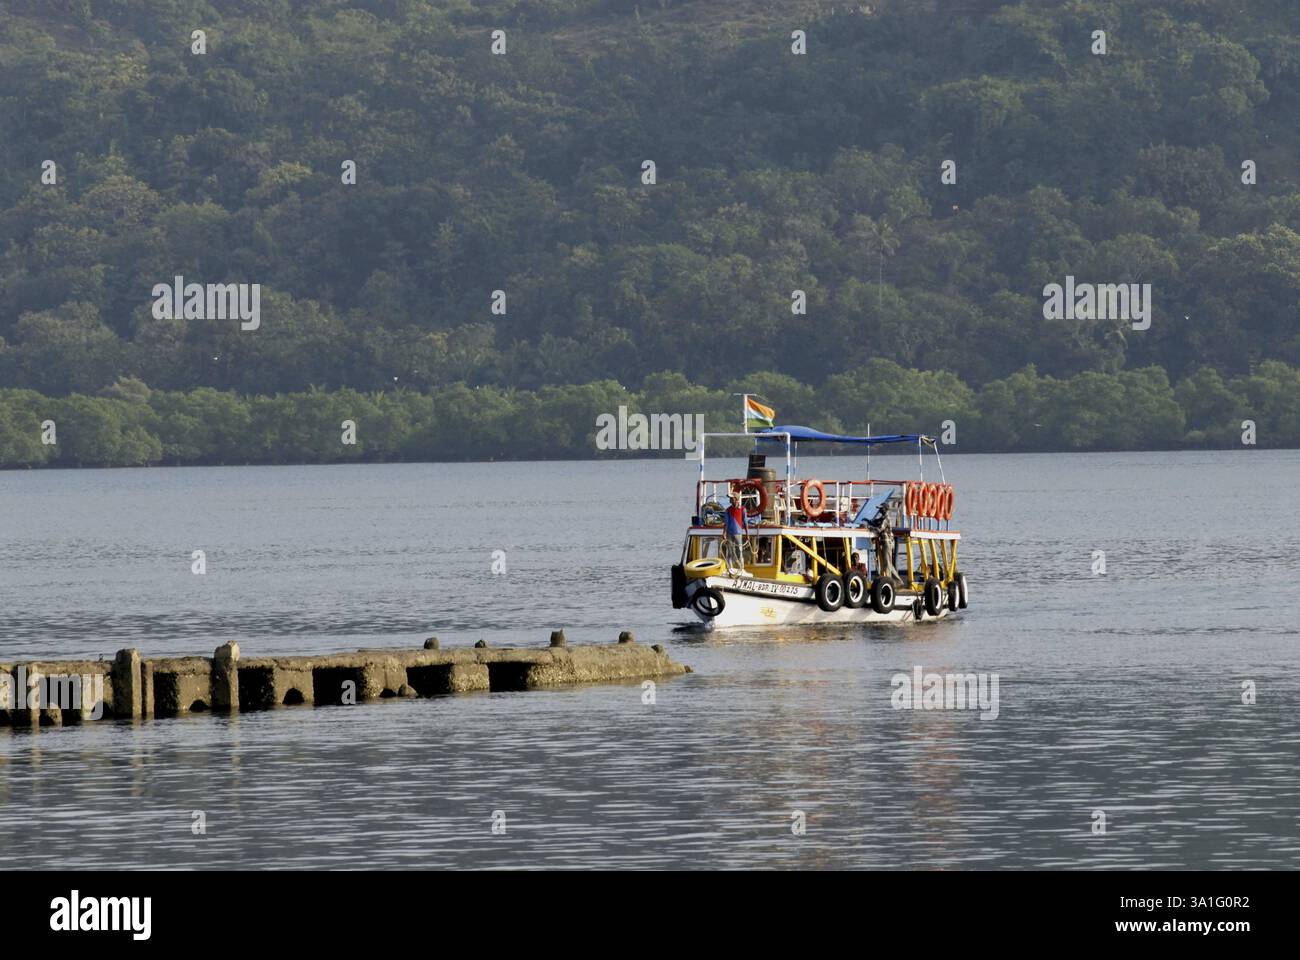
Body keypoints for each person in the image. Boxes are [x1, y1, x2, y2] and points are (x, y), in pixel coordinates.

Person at [724, 496, 748, 573]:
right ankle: (730, 568)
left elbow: (745, 522)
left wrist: (747, 534)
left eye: (732, 498)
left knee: (739, 551)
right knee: (730, 552)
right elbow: (726, 523)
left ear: (736, 499)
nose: (730, 499)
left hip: (738, 533)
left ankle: (741, 569)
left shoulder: (742, 509)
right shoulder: (728, 510)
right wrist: (724, 533)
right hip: (729, 533)